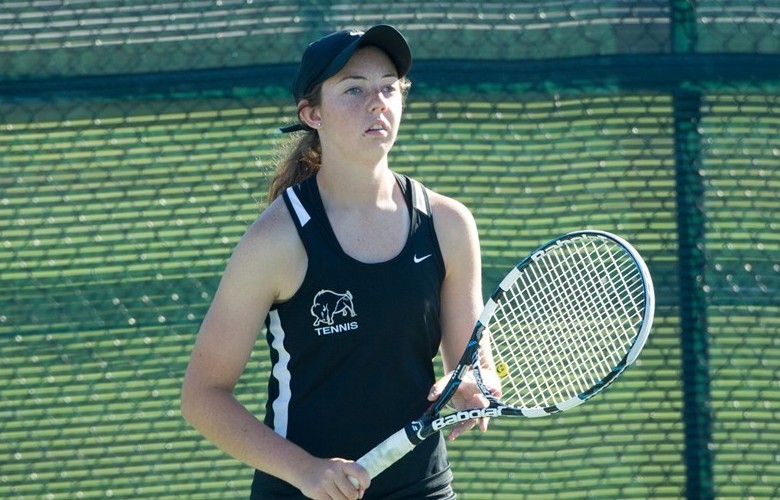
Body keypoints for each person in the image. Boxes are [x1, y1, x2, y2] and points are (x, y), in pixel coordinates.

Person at [181, 24, 498, 499]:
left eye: (388, 87)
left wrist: (474, 385)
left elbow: (471, 363)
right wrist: (307, 471)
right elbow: (202, 396)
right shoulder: (276, 240)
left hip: (424, 488)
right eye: (353, 89)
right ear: (312, 114)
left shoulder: (449, 224)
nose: (377, 103)